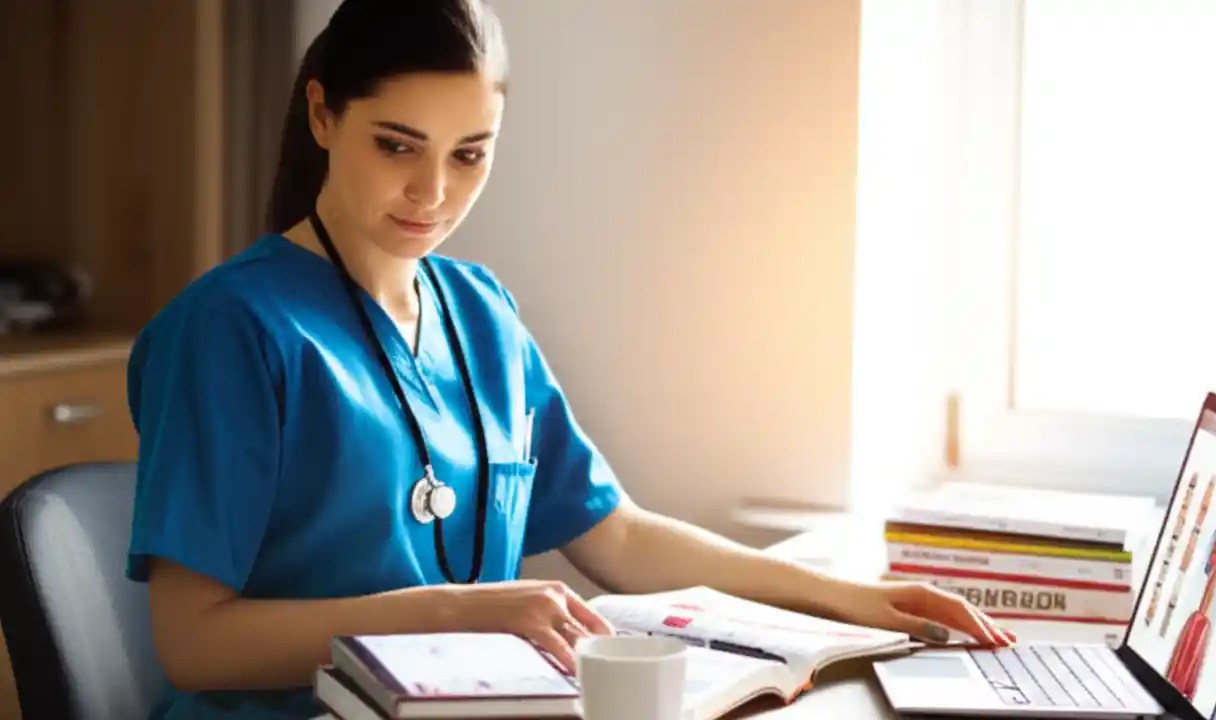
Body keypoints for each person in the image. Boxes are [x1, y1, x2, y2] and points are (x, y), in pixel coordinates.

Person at [125, 1, 1015, 718]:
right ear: (323, 114)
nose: (433, 193)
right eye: (397, 146)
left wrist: (845, 599)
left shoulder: (480, 312)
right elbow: (196, 642)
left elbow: (616, 536)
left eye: (470, 155)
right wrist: (458, 610)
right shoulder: (231, 330)